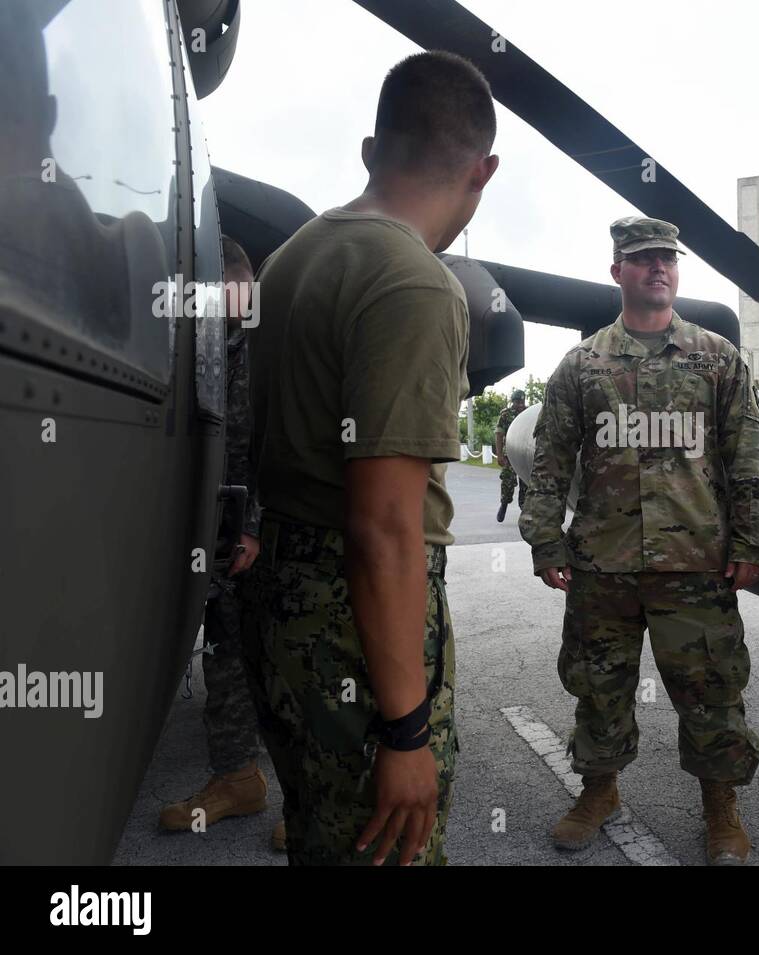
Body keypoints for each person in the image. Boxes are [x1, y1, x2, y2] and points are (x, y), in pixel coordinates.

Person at [242, 51, 498, 865]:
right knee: (386, 848)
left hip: (282, 612)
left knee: (326, 837)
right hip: (353, 633)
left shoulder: (292, 259)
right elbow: (384, 527)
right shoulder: (415, 281)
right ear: (483, 171)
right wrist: (406, 730)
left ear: (369, 150)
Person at [521, 216, 759, 865]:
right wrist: (546, 542)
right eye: (642, 258)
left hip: (694, 563)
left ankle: (721, 808)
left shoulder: (717, 358)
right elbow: (548, 460)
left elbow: (747, 457)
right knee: (597, 685)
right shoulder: (582, 364)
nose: (658, 267)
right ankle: (599, 790)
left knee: (712, 688)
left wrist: (752, 540)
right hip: (602, 563)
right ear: (618, 272)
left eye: (667, 256)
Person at [159, 236, 283, 849]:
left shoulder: (275, 341)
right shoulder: (225, 344)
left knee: (296, 662)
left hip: (278, 533)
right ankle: (236, 777)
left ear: (241, 278)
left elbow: (284, 443)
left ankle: (315, 795)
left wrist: (257, 524)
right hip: (231, 534)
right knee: (228, 654)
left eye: (213, 289)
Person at [495, 389, 528, 522]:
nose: (519, 404)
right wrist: (499, 455)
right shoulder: (506, 415)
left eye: (521, 401)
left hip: (524, 454)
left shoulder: (528, 413)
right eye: (517, 401)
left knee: (526, 483)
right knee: (508, 481)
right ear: (512, 401)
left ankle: (524, 510)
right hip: (509, 454)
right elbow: (499, 434)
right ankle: (504, 504)